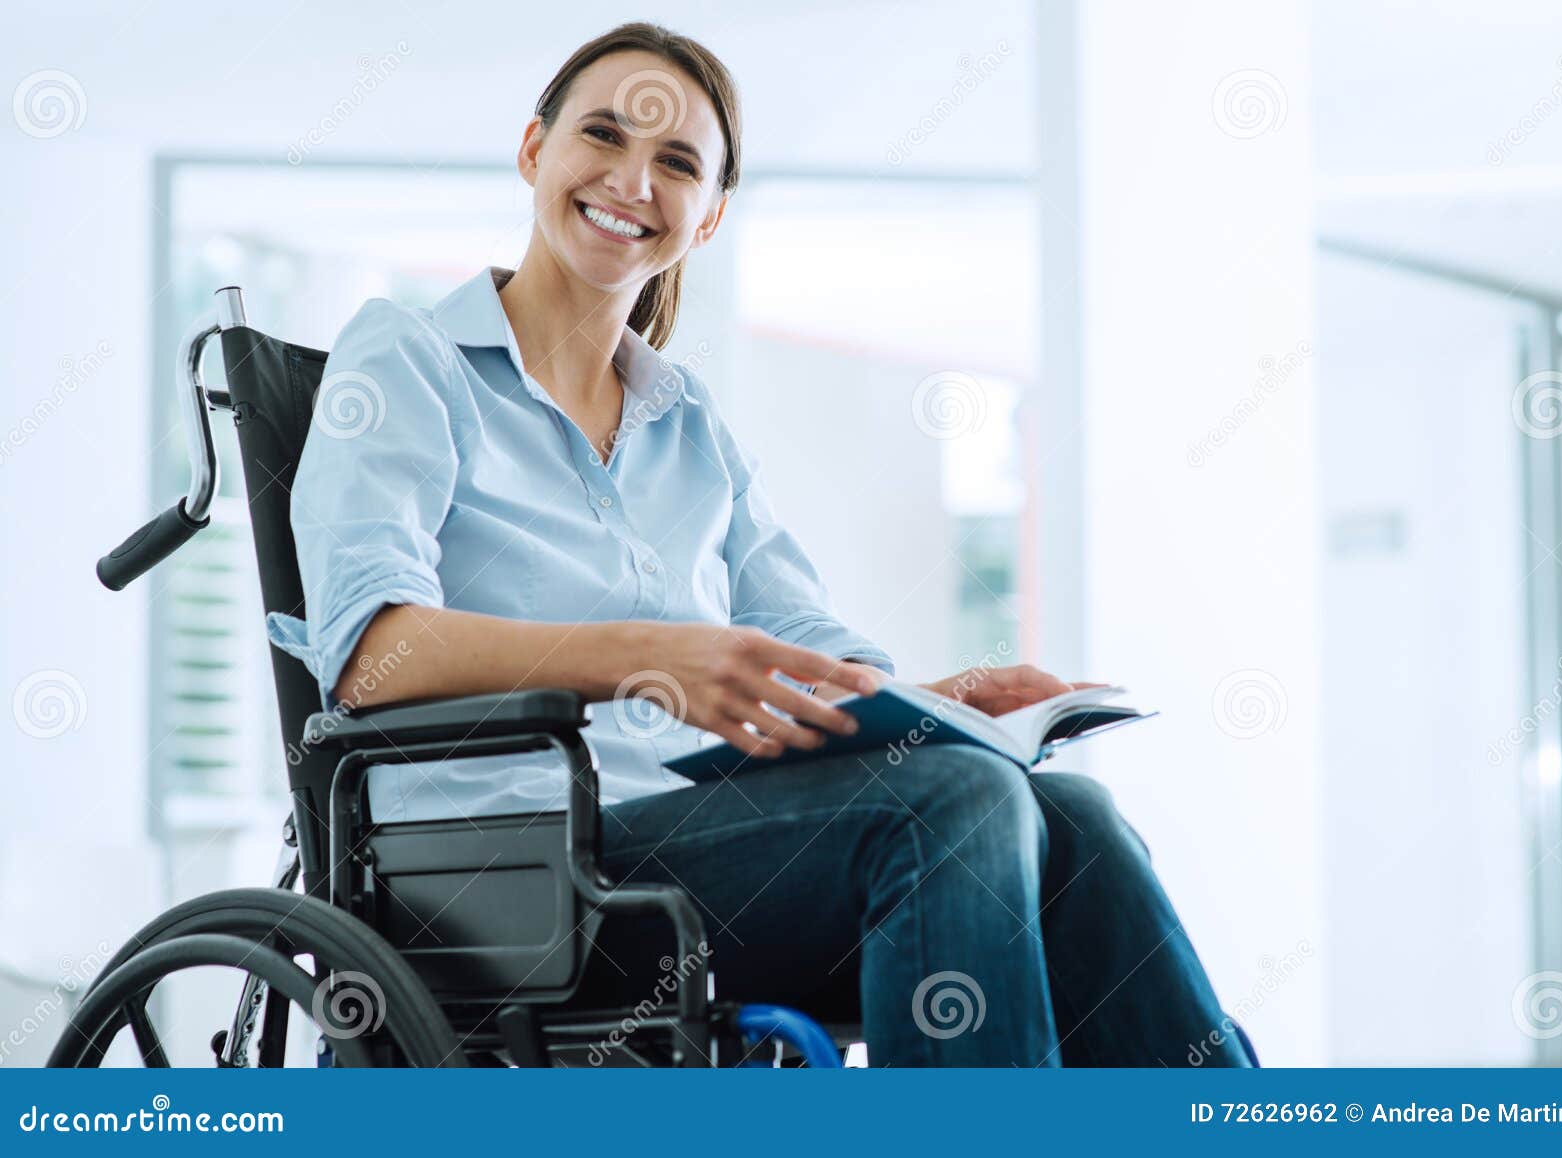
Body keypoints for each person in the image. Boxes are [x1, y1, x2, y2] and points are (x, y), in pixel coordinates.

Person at [265, 21, 1256, 1068]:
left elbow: (809, 646)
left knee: (1070, 814)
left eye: (676, 164)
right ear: (533, 151)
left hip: (701, 855)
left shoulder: (690, 430)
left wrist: (930, 706)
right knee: (954, 806)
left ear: (708, 218)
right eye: (601, 135)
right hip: (503, 876)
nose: (631, 179)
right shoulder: (411, 359)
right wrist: (648, 659)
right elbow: (372, 658)